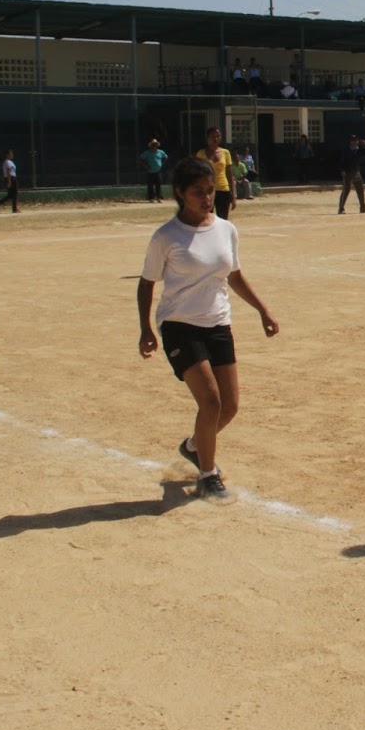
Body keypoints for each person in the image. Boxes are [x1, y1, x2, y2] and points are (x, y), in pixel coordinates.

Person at [137, 156, 278, 501]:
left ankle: (193, 446)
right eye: (198, 191)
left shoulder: (226, 230)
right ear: (180, 193)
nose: (206, 197)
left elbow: (234, 275)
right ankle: (207, 474)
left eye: (210, 190)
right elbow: (146, 284)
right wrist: (145, 329)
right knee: (211, 401)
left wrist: (263, 310)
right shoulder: (166, 237)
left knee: (229, 406)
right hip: (179, 326)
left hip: (218, 323)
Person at [195, 127, 235, 220]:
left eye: (218, 136)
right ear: (207, 138)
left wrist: (233, 195)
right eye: (213, 136)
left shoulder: (226, 153)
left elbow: (230, 174)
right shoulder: (201, 153)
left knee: (223, 219)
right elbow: (197, 174)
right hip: (207, 191)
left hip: (223, 189)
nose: (215, 139)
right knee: (205, 218)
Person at [339, 134, 365, 214]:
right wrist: (342, 170)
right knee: (346, 190)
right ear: (350, 142)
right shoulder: (346, 150)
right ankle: (341, 208)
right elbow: (342, 161)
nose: (356, 142)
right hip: (348, 172)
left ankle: (363, 208)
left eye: (356, 140)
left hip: (356, 172)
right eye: (354, 140)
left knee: (360, 190)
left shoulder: (359, 150)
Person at [140, 138, 168, 203]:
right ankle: (151, 198)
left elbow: (166, 157)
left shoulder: (161, 152)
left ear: (157, 145)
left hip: (158, 172)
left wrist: (162, 164)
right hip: (150, 172)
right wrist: (145, 166)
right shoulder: (147, 153)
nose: (154, 146)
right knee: (150, 186)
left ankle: (159, 198)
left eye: (155, 144)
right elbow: (141, 159)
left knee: (158, 185)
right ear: (151, 145)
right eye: (153, 144)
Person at [0, 148, 19, 213]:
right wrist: (9, 181)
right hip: (10, 178)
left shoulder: (10, 162)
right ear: (7, 155)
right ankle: (14, 209)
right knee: (15, 194)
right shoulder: (7, 162)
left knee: (11, 195)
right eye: (10, 153)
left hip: (12, 178)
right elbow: (8, 172)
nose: (12, 155)